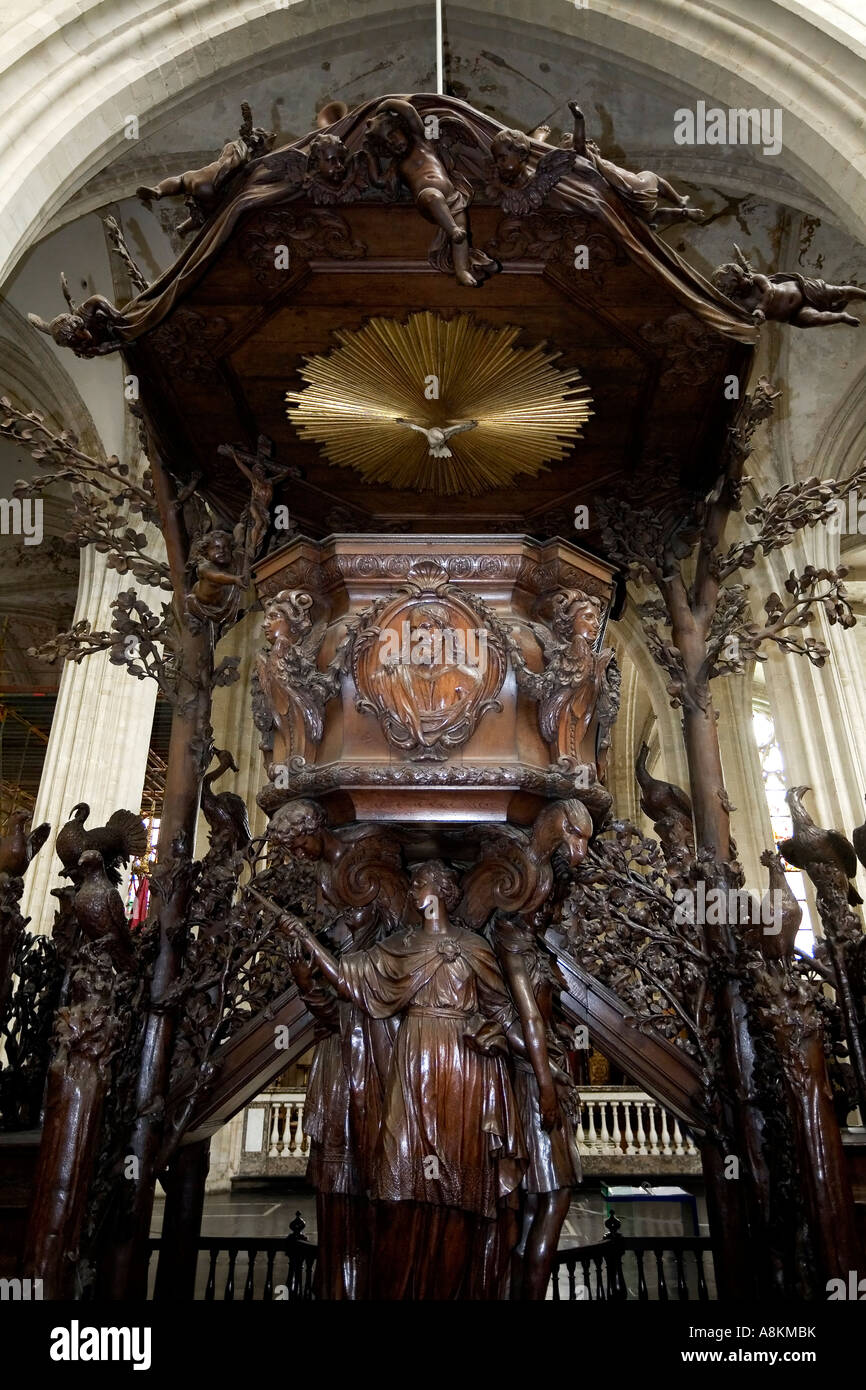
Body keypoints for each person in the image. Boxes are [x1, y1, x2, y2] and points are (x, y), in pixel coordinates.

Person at [280, 859, 525, 1298]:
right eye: (412, 885)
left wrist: (528, 1061)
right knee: (394, 1190)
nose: (413, 891)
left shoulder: (472, 947)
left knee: (456, 1199)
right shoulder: (400, 945)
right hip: (412, 1063)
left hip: (461, 1069)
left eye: (419, 884)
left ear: (440, 890)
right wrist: (310, 946)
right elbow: (348, 983)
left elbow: (502, 1012)